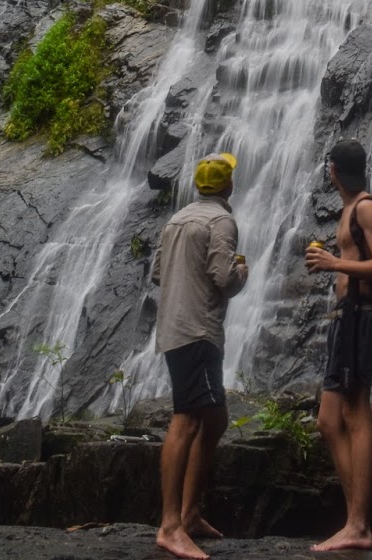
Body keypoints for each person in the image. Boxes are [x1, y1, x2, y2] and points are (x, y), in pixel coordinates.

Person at [152, 151, 248, 560]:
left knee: (216, 418)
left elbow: (158, 272)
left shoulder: (176, 219)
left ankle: (189, 514)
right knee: (188, 419)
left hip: (174, 327)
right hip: (198, 330)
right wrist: (242, 270)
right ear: (228, 186)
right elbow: (224, 279)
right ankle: (170, 525)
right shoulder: (221, 220)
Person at [304, 139, 372, 554]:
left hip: (362, 317)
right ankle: (353, 517)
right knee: (328, 419)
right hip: (347, 317)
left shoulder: (366, 207)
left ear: (333, 171)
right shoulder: (351, 210)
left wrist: (334, 263)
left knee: (356, 411)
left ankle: (359, 524)